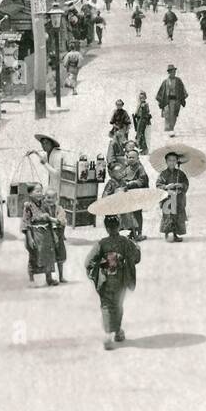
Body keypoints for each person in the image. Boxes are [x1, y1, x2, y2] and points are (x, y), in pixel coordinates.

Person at [86, 214, 141, 350]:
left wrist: (97, 271)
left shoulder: (102, 243)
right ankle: (118, 332)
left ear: (106, 228)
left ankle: (107, 334)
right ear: (119, 226)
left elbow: (89, 262)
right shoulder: (125, 242)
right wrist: (137, 247)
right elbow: (136, 258)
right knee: (118, 304)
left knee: (106, 305)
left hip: (105, 279)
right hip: (121, 278)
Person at [22, 196, 61, 286]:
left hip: (46, 234)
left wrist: (53, 235)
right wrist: (30, 238)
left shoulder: (45, 205)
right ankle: (31, 280)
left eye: (40, 191)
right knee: (33, 256)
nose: (39, 194)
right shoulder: (28, 206)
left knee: (49, 256)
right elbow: (26, 224)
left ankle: (49, 278)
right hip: (35, 234)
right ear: (31, 194)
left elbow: (50, 221)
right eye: (36, 191)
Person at [116, 146, 150, 241]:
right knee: (128, 213)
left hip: (137, 194)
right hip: (128, 194)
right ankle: (132, 231)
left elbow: (142, 181)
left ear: (137, 158)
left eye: (133, 157)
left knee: (137, 213)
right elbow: (122, 177)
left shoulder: (140, 168)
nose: (130, 159)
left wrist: (131, 183)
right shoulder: (127, 168)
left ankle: (139, 232)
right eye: (128, 157)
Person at [156, 150, 190, 243]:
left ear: (176, 161)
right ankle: (167, 233)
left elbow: (186, 183)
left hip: (178, 198)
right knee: (168, 216)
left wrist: (181, 185)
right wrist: (166, 186)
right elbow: (158, 185)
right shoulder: (163, 174)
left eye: (174, 160)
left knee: (177, 216)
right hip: (167, 199)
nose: (172, 162)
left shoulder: (180, 173)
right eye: (169, 160)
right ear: (166, 162)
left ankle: (175, 234)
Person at [156, 64, 188, 133]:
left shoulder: (178, 80)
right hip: (167, 100)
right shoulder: (165, 82)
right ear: (169, 72)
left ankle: (171, 128)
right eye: (172, 71)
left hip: (176, 100)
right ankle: (169, 128)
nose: (173, 73)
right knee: (167, 113)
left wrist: (182, 97)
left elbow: (183, 89)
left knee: (174, 115)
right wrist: (160, 100)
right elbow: (161, 91)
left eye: (174, 71)